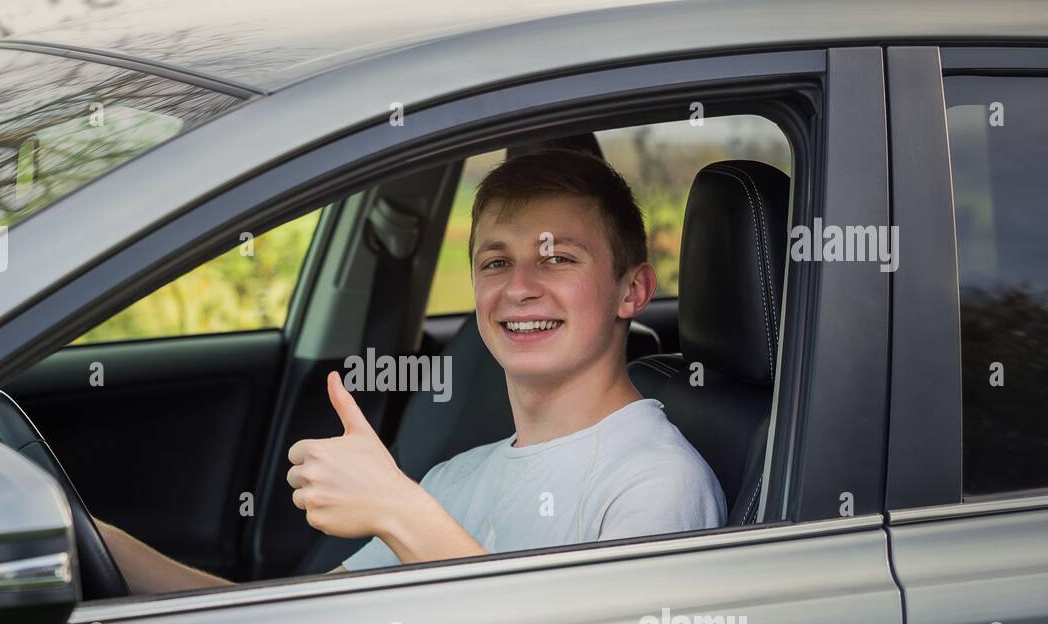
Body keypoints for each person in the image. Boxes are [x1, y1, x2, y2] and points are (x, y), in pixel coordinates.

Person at [97, 147, 725, 593]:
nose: (520, 289)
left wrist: (398, 509)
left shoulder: (655, 483)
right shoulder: (458, 477)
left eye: (556, 258)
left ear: (633, 291)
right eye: (495, 263)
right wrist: (94, 542)